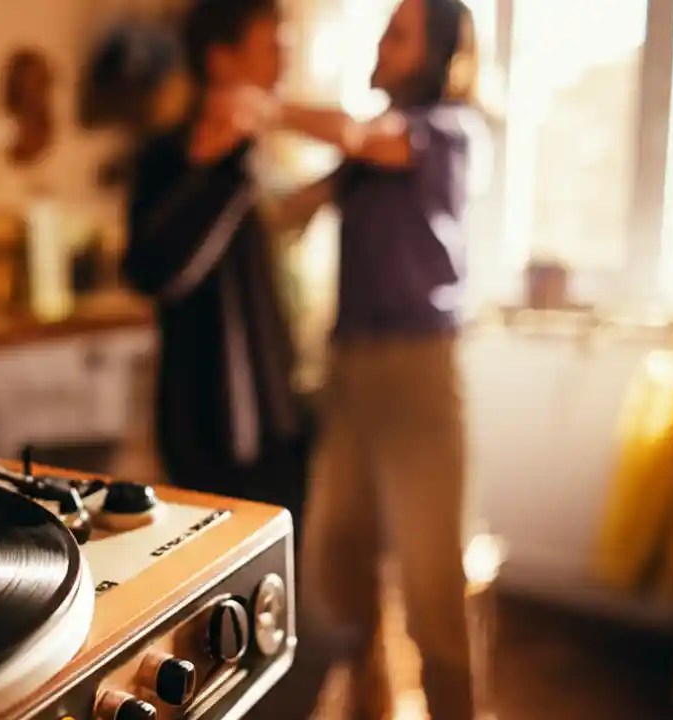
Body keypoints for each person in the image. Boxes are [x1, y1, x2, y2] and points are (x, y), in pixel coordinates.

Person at [271, 1, 486, 718]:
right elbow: (287, 211)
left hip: (418, 377)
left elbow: (367, 135)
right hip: (349, 376)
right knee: (340, 583)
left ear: (436, 54)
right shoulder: (361, 162)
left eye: (399, 34)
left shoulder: (444, 133)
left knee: (433, 598)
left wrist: (264, 107)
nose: (382, 44)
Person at [122, 0, 313, 523]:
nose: (284, 62)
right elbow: (149, 271)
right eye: (272, 46)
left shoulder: (255, 157)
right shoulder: (167, 157)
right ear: (221, 60)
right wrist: (218, 165)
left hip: (277, 418)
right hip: (209, 426)